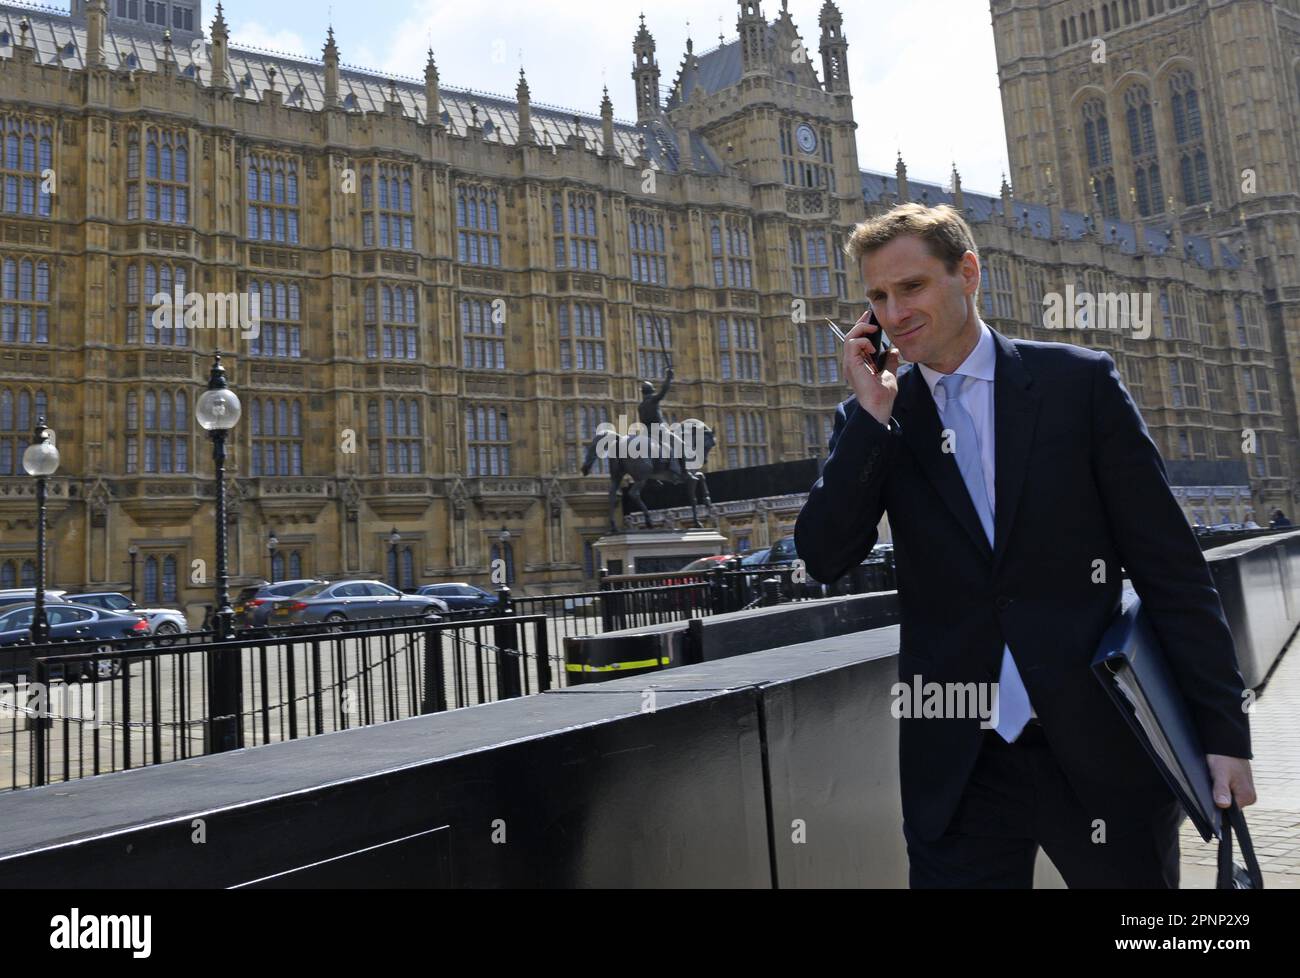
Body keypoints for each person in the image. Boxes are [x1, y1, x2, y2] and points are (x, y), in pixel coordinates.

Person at [795, 203, 1255, 888]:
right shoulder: (877, 416)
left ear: (969, 273)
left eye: (912, 287)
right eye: (877, 298)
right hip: (960, 766)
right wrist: (871, 416)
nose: (893, 314)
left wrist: (1222, 735)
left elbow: (1172, 569)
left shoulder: (1079, 384)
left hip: (1102, 752)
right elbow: (823, 556)